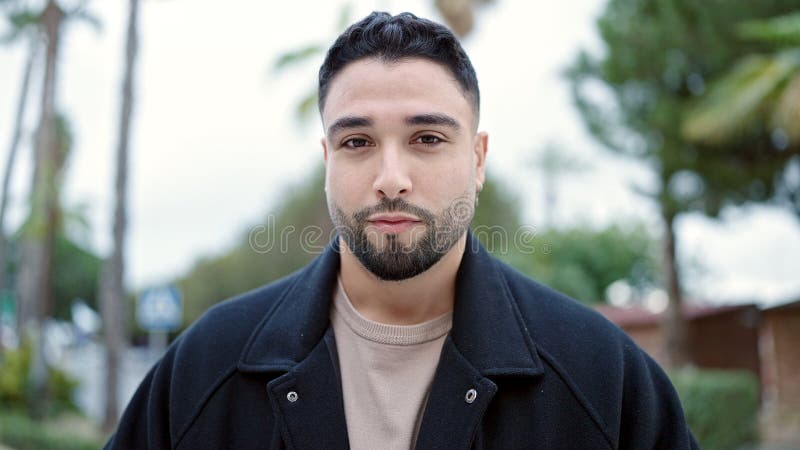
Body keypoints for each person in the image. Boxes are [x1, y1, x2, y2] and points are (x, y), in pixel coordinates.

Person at [106, 11, 699, 450]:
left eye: (428, 139)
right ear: (327, 162)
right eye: (358, 142)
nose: (392, 179)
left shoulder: (602, 378)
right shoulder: (206, 368)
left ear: (479, 159)